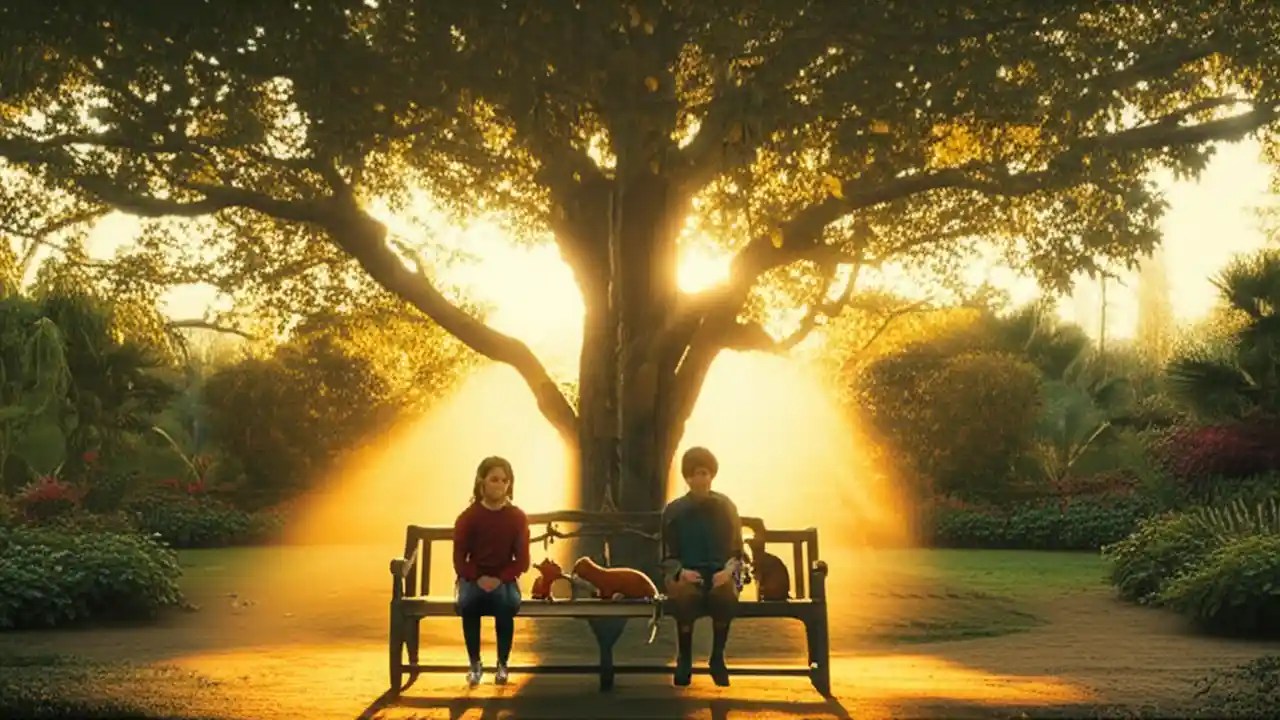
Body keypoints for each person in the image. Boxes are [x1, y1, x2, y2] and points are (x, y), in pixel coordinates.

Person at [659, 446, 744, 687]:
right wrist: (681, 572)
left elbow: (738, 550)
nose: (703, 479)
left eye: (706, 473)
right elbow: (666, 555)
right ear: (688, 478)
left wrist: (727, 571)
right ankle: (684, 658)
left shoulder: (726, 506)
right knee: (685, 596)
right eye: (698, 473)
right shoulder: (675, 510)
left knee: (725, 596)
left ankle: (717, 657)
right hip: (687, 572)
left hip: (721, 572)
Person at [452, 455, 530, 687]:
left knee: (504, 603)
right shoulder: (468, 517)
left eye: (505, 481)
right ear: (481, 482)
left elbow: (522, 561)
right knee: (468, 603)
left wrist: (500, 579)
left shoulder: (517, 517)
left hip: (505, 579)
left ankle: (502, 664)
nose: (500, 485)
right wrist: (478, 578)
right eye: (494, 479)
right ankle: (475, 664)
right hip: (472, 577)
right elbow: (459, 560)